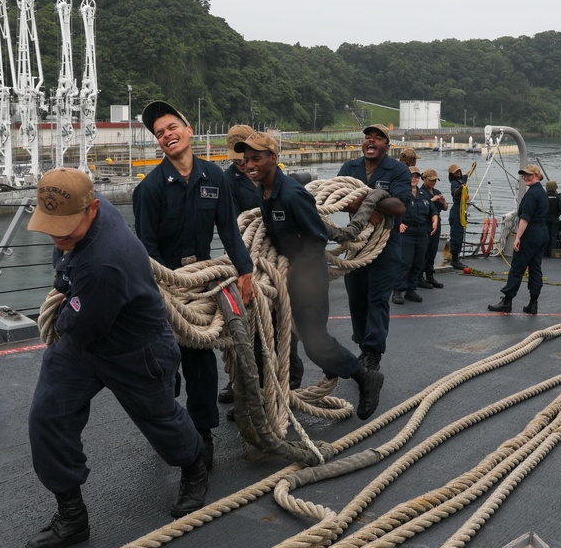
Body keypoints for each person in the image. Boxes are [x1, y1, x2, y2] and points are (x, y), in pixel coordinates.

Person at [25, 168, 210, 548]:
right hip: (83, 343)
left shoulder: (105, 263)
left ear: (93, 209)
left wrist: (67, 308)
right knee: (48, 415)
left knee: (161, 420)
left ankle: (194, 463)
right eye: (50, 225)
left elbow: (82, 323)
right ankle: (72, 517)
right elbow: (66, 266)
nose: (58, 237)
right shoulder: (87, 209)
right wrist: (67, 288)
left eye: (66, 228)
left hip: (134, 348)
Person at [133, 101, 255, 469]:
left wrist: (245, 271)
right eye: (159, 133)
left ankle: (203, 436)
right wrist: (161, 292)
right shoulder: (149, 189)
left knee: (201, 362)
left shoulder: (214, 178)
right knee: (165, 368)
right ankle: (171, 425)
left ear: (188, 131)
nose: (167, 135)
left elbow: (230, 232)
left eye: (172, 127)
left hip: (201, 284)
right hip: (165, 287)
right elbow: (147, 251)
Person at [237, 131, 385, 420]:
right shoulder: (264, 190)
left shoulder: (292, 194)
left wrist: (294, 267)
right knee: (270, 336)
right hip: (284, 274)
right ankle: (269, 396)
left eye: (256, 158)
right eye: (246, 159)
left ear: (273, 158)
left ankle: (365, 376)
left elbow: (317, 238)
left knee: (315, 343)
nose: (249, 164)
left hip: (308, 275)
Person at [337, 124, 411, 372]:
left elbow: (400, 205)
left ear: (386, 146)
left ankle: (373, 353)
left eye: (378, 138)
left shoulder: (398, 169)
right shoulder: (350, 168)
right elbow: (338, 197)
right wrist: (369, 205)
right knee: (356, 297)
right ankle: (363, 343)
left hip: (385, 246)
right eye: (368, 137)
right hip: (356, 246)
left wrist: (369, 203)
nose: (371, 141)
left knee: (377, 299)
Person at [216, 123, 261, 406]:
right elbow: (230, 225)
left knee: (271, 322)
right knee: (241, 322)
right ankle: (239, 380)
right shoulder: (227, 180)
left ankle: (274, 379)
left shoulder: (268, 172)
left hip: (270, 253)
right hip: (242, 253)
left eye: (243, 156)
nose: (240, 162)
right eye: (235, 157)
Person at [488, 164, 549, 314]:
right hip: (542, 233)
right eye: (524, 175)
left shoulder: (531, 194)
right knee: (535, 268)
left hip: (530, 234)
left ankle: (507, 301)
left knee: (517, 268)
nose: (525, 177)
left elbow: (525, 219)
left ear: (536, 175)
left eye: (529, 174)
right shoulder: (542, 192)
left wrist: (517, 238)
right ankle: (533, 303)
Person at [393, 166, 433, 304]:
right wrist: (398, 223)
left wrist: (435, 221)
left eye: (416, 176)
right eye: (411, 176)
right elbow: (392, 209)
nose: (414, 179)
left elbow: (432, 211)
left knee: (418, 263)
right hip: (407, 232)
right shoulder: (400, 194)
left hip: (422, 233)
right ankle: (398, 290)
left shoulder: (423, 194)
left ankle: (411, 289)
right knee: (405, 262)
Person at [419, 167, 447, 288]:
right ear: (424, 179)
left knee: (432, 250)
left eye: (435, 180)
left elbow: (446, 208)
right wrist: (432, 200)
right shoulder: (420, 192)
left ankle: (430, 274)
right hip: (425, 223)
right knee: (423, 251)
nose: (433, 183)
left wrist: (443, 202)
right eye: (431, 180)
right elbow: (419, 206)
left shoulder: (436, 191)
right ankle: (419, 276)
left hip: (437, 223)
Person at [448, 163, 468, 268]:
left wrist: (473, 167)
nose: (459, 173)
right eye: (456, 172)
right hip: (456, 210)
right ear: (452, 174)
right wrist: (460, 189)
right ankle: (454, 260)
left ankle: (457, 258)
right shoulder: (455, 183)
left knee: (460, 235)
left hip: (462, 210)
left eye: (459, 171)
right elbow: (454, 193)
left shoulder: (462, 179)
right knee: (456, 235)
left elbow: (467, 175)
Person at [544, 180, 561, 256]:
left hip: (545, 219)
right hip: (555, 219)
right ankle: (552, 252)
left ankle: (544, 252)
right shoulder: (558, 197)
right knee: (553, 235)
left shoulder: (544, 196)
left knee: (545, 235)